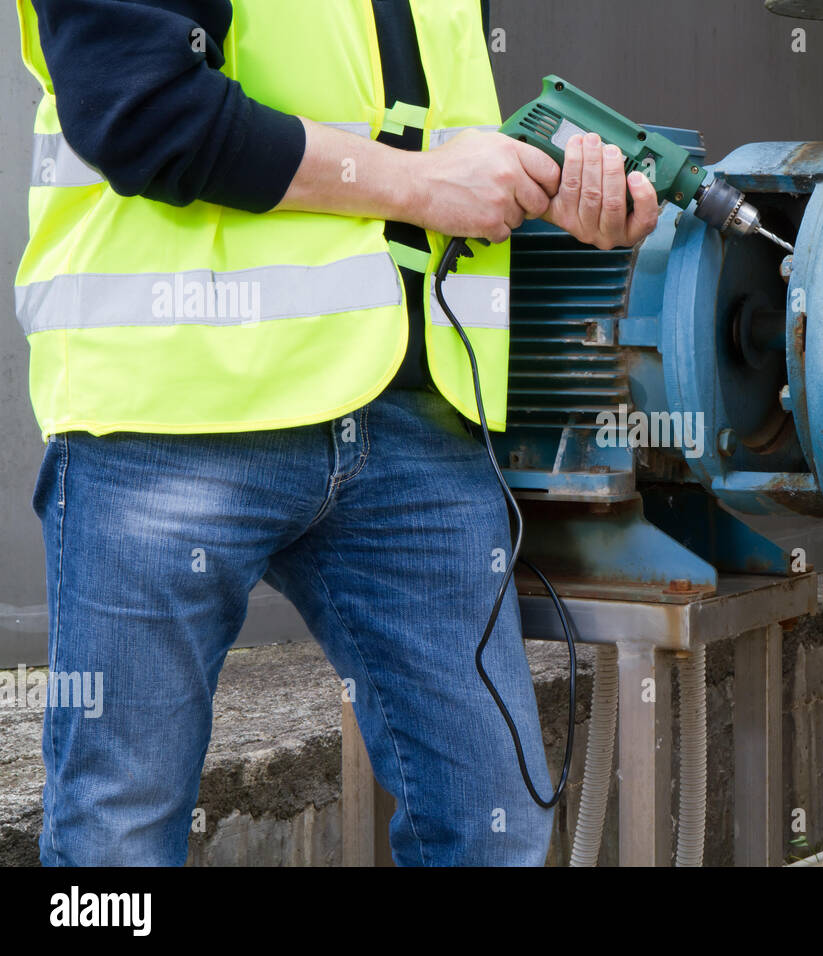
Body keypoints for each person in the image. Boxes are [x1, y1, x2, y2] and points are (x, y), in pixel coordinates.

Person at [13, 0, 659, 866]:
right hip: (171, 413)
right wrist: (427, 181)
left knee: (491, 827)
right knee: (117, 841)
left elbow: (416, 122)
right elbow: (145, 112)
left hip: (414, 418)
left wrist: (549, 193)